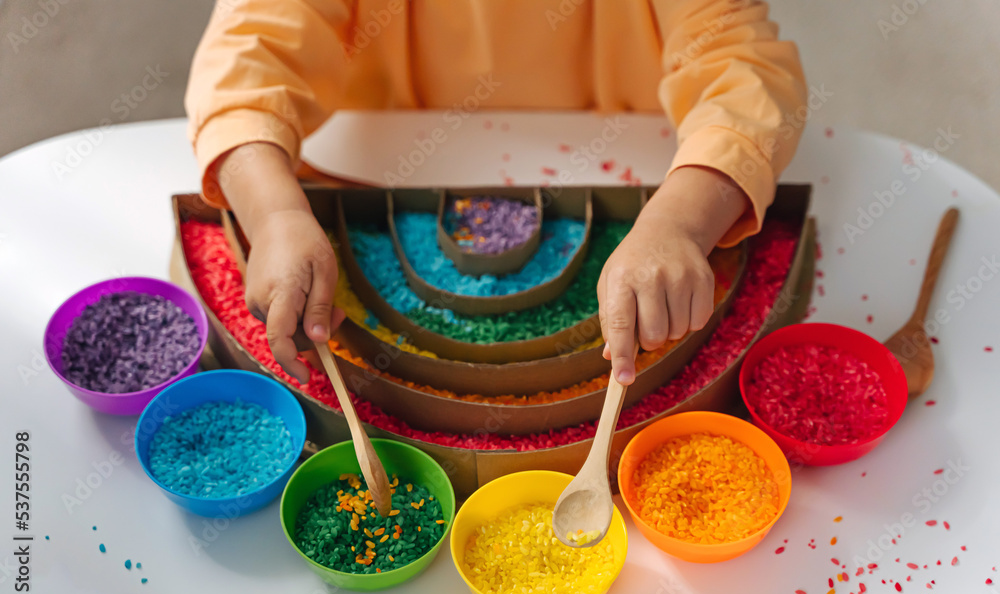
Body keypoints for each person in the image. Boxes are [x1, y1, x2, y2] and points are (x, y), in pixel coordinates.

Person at [185, 0, 806, 386]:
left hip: (638, 160)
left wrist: (680, 221)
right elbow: (247, 55)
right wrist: (272, 214)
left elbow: (743, 70)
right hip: (396, 163)